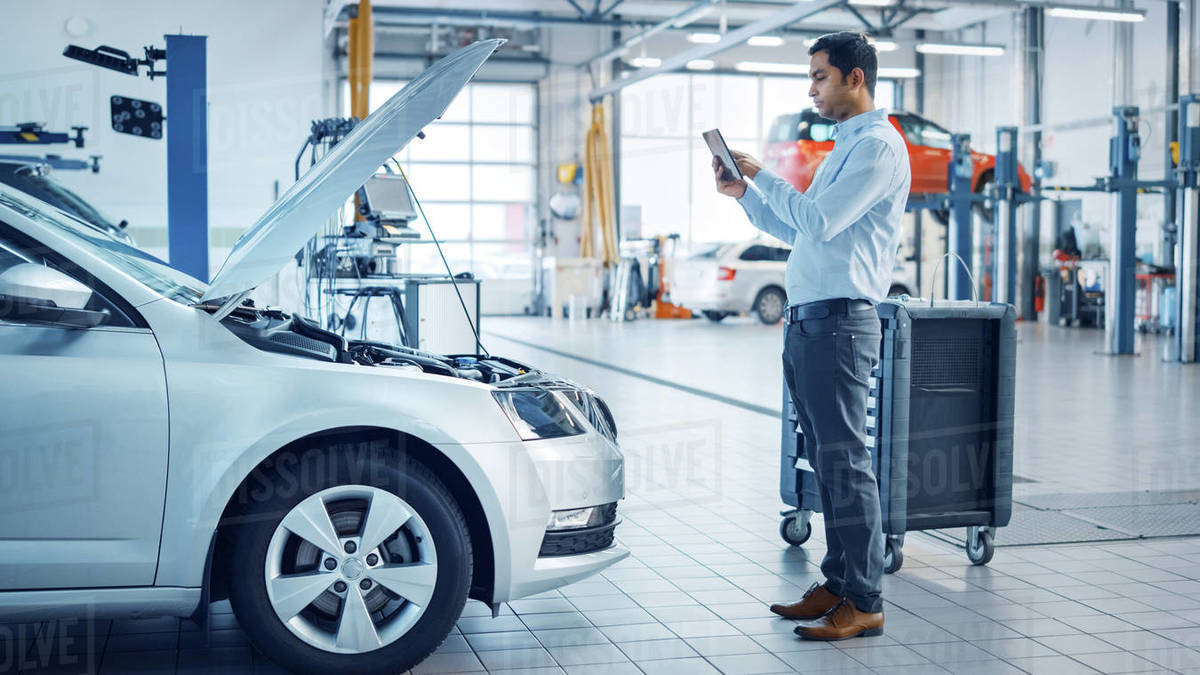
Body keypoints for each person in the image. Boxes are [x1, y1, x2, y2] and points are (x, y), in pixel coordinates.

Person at [712, 31, 911, 641]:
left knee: (846, 463)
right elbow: (801, 230)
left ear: (856, 77)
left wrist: (765, 174)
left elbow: (818, 220)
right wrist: (746, 193)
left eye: (820, 77)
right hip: (812, 324)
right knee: (828, 463)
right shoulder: (846, 147)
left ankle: (866, 600)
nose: (812, 90)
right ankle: (840, 582)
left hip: (840, 324)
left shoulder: (877, 148)